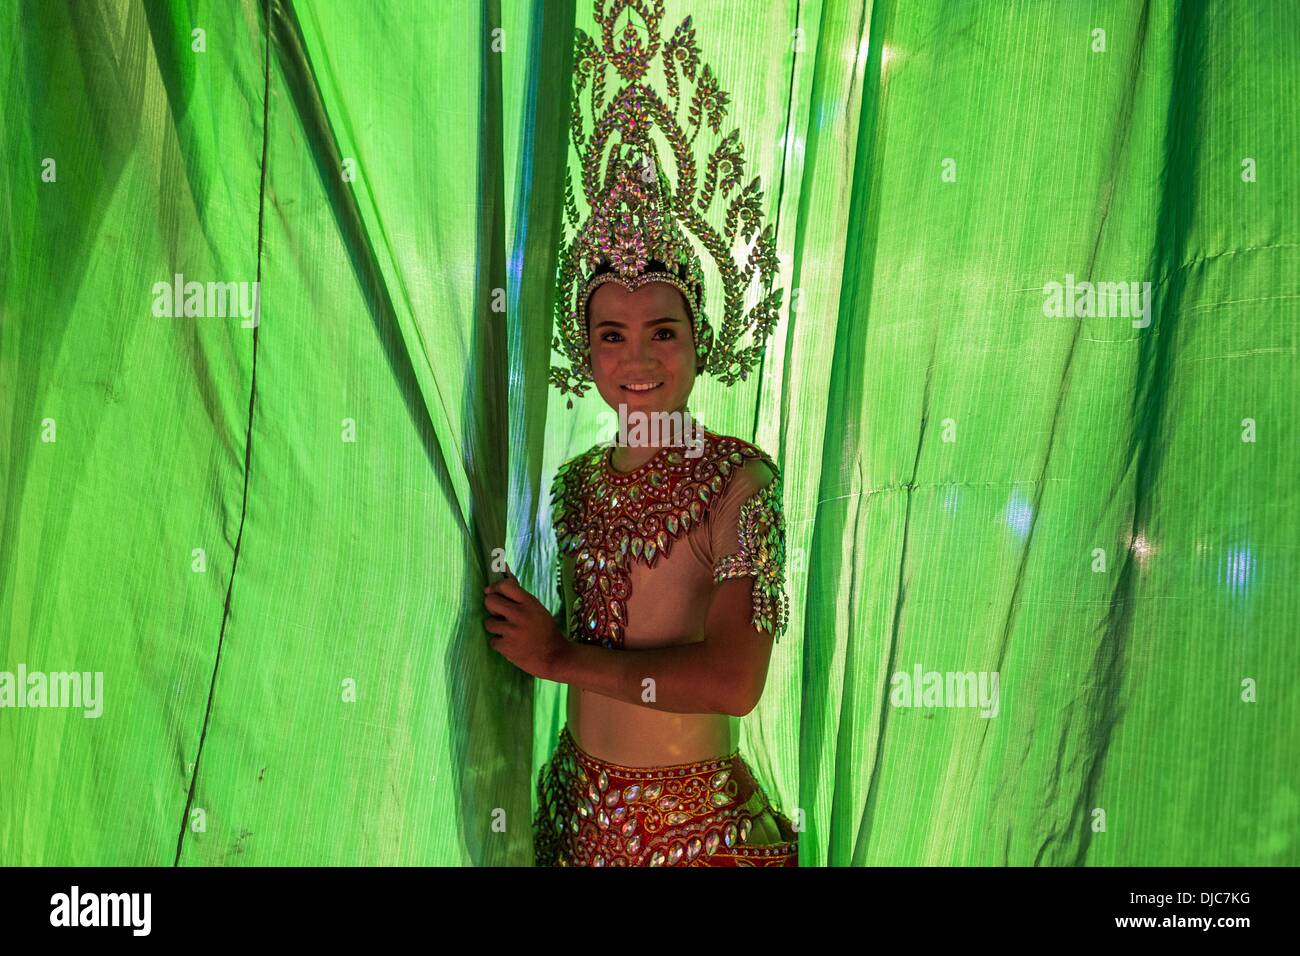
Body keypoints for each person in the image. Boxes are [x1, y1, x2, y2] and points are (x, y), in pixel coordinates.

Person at [482, 0, 796, 866]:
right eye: (610, 335)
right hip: (570, 819)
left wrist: (559, 656)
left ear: (703, 339)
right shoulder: (573, 484)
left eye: (662, 330)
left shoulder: (743, 483)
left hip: (700, 840)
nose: (637, 360)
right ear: (583, 352)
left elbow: (735, 682)